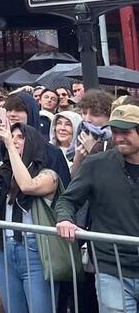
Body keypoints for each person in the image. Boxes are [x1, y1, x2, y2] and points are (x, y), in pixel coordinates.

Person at [56, 104, 139, 313]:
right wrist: (65, 219)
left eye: (126, 132)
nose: (119, 137)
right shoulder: (96, 163)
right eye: (116, 132)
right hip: (111, 265)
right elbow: (67, 200)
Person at [0, 121, 60, 313]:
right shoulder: (2, 170)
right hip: (4, 248)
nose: (15, 141)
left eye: (21, 137)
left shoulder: (48, 175)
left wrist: (10, 147)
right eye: (12, 137)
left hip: (34, 249)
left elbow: (27, 186)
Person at [72, 89, 115, 176]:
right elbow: (74, 179)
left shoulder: (117, 139)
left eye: (95, 114)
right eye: (84, 113)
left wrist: (94, 149)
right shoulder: (80, 131)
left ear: (109, 116)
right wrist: (77, 159)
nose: (87, 119)